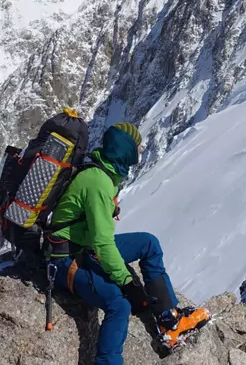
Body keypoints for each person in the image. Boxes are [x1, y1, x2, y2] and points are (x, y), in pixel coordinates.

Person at [47, 122, 209, 365]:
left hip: (84, 245)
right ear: (126, 149)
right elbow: (103, 243)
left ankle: (169, 320)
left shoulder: (103, 172)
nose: (140, 153)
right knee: (119, 304)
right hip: (65, 259)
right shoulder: (98, 182)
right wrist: (128, 283)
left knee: (148, 244)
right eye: (137, 148)